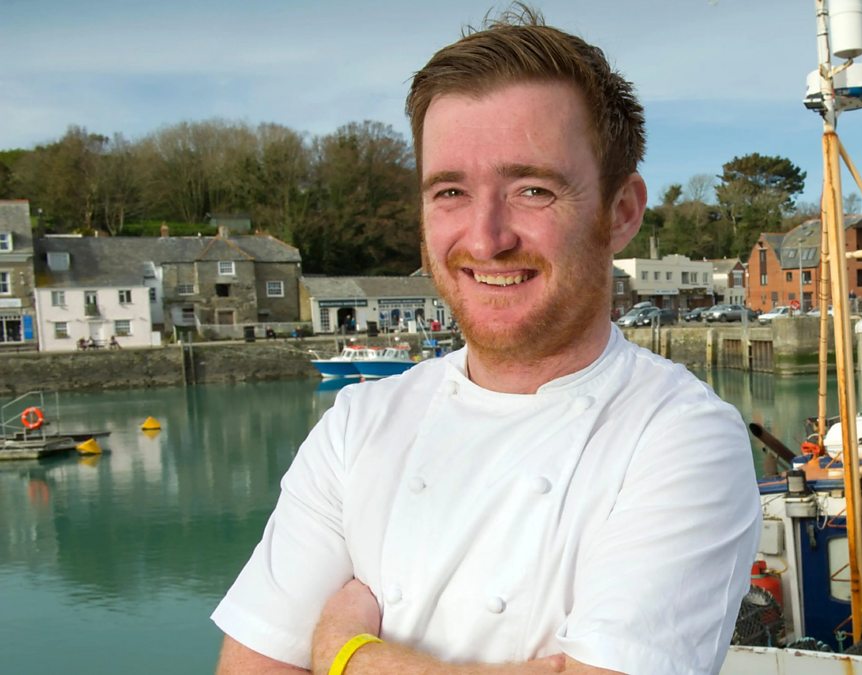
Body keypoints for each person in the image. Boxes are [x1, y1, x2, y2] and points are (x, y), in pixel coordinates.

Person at [212, 7, 760, 675]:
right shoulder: (356, 427)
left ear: (621, 212)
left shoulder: (681, 436)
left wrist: (348, 652)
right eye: (449, 190)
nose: (485, 237)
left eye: (532, 189)